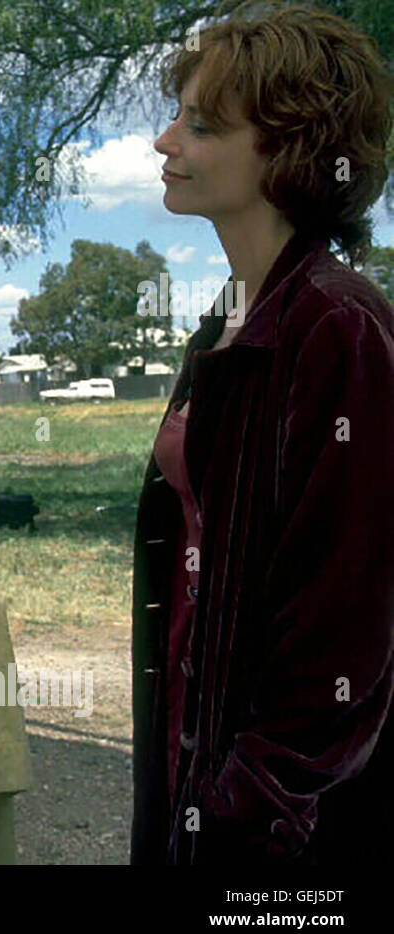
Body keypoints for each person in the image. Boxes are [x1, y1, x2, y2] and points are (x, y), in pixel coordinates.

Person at [135, 1, 394, 864]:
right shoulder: (230, 318)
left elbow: (343, 641)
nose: (167, 143)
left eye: (201, 125)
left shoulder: (340, 330)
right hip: (195, 753)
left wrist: (245, 813)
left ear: (288, 151)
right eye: (177, 116)